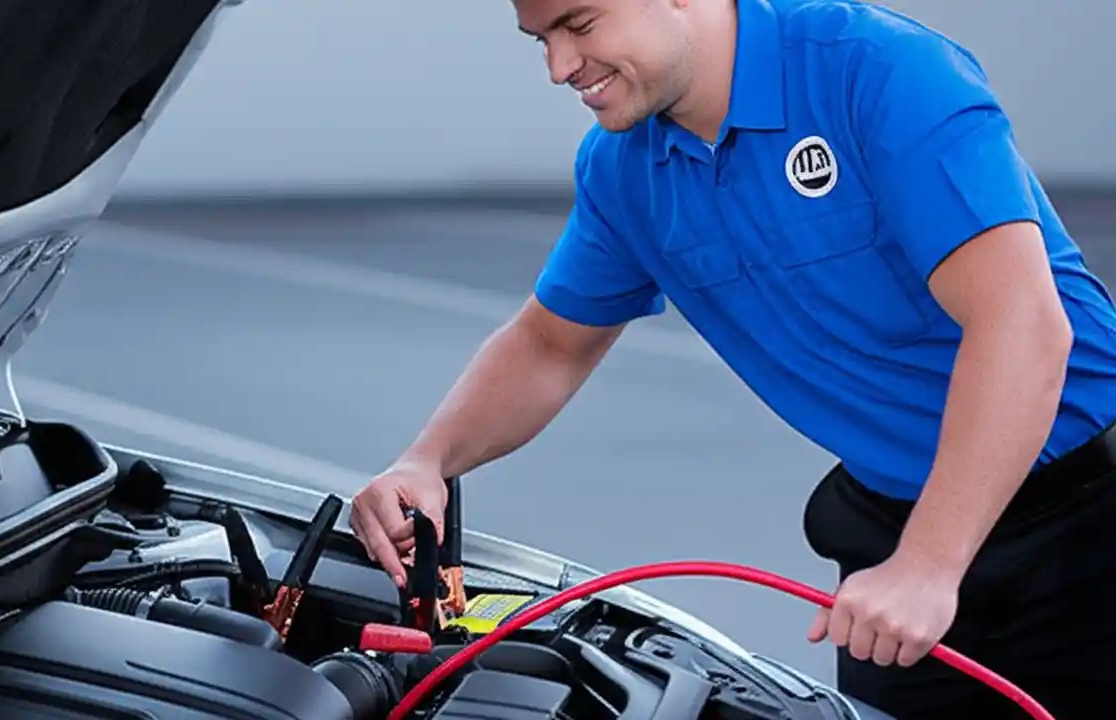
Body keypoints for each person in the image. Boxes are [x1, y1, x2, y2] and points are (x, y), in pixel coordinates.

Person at [349, 0, 1116, 717]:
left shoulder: (878, 73)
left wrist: (929, 564)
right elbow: (550, 344)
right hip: (897, 545)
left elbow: (1021, 324)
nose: (559, 66)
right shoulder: (625, 169)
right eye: (541, 40)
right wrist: (428, 460)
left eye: (578, 24)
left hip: (1086, 521)